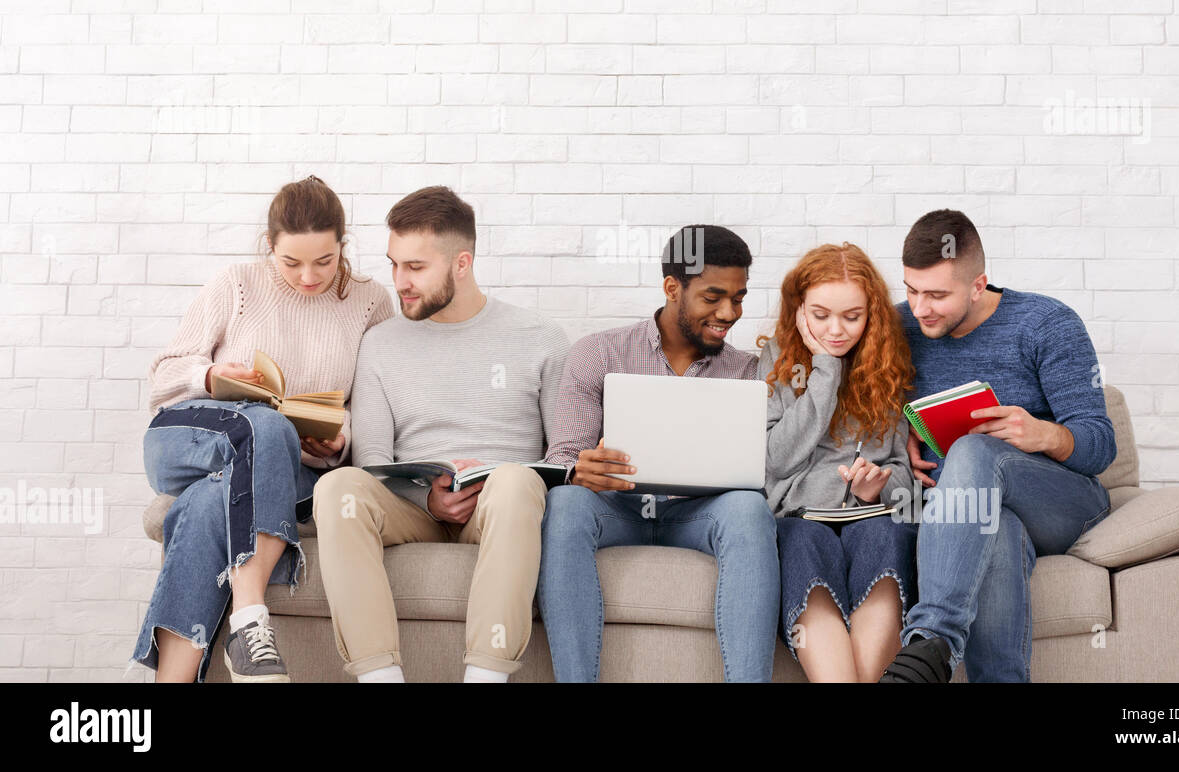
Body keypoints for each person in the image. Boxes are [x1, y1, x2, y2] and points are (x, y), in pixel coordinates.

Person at [134, 175, 394, 682]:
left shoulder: (370, 303)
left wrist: (337, 447)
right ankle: (249, 619)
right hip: (188, 437)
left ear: (343, 245)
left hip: (285, 464)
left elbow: (371, 410)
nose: (308, 277)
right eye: (291, 262)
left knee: (211, 503)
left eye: (324, 261)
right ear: (269, 247)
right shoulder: (236, 284)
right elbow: (162, 378)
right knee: (267, 425)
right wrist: (209, 376)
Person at [312, 186, 569, 683]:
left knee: (516, 483)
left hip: (502, 503)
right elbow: (372, 462)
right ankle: (379, 677)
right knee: (337, 488)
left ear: (462, 263)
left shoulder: (539, 336)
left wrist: (499, 479)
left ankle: (486, 676)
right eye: (394, 264)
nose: (399, 282)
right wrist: (426, 499)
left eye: (416, 267)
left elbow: (563, 458)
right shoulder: (381, 344)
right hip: (412, 507)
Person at [880, 209, 1115, 683]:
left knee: (972, 449)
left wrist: (1047, 435)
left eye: (937, 294)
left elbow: (1100, 446)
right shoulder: (898, 328)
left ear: (978, 284)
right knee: (996, 527)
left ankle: (931, 640)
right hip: (971, 510)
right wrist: (894, 432)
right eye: (911, 289)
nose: (920, 307)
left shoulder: (1046, 323)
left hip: (1061, 500)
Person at [538, 225, 779, 682]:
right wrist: (577, 470)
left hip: (699, 516)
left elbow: (768, 468)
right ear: (672, 288)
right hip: (618, 510)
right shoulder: (599, 353)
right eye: (713, 297)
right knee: (565, 501)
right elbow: (560, 457)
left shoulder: (750, 371)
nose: (729, 313)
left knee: (749, 508)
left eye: (739, 297)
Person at [759, 242, 918, 682]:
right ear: (799, 310)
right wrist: (826, 370)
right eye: (821, 315)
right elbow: (776, 459)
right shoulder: (777, 358)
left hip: (871, 513)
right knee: (803, 544)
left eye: (852, 316)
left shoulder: (888, 363)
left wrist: (881, 485)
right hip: (800, 515)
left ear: (872, 315)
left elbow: (904, 474)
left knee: (888, 536)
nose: (836, 330)